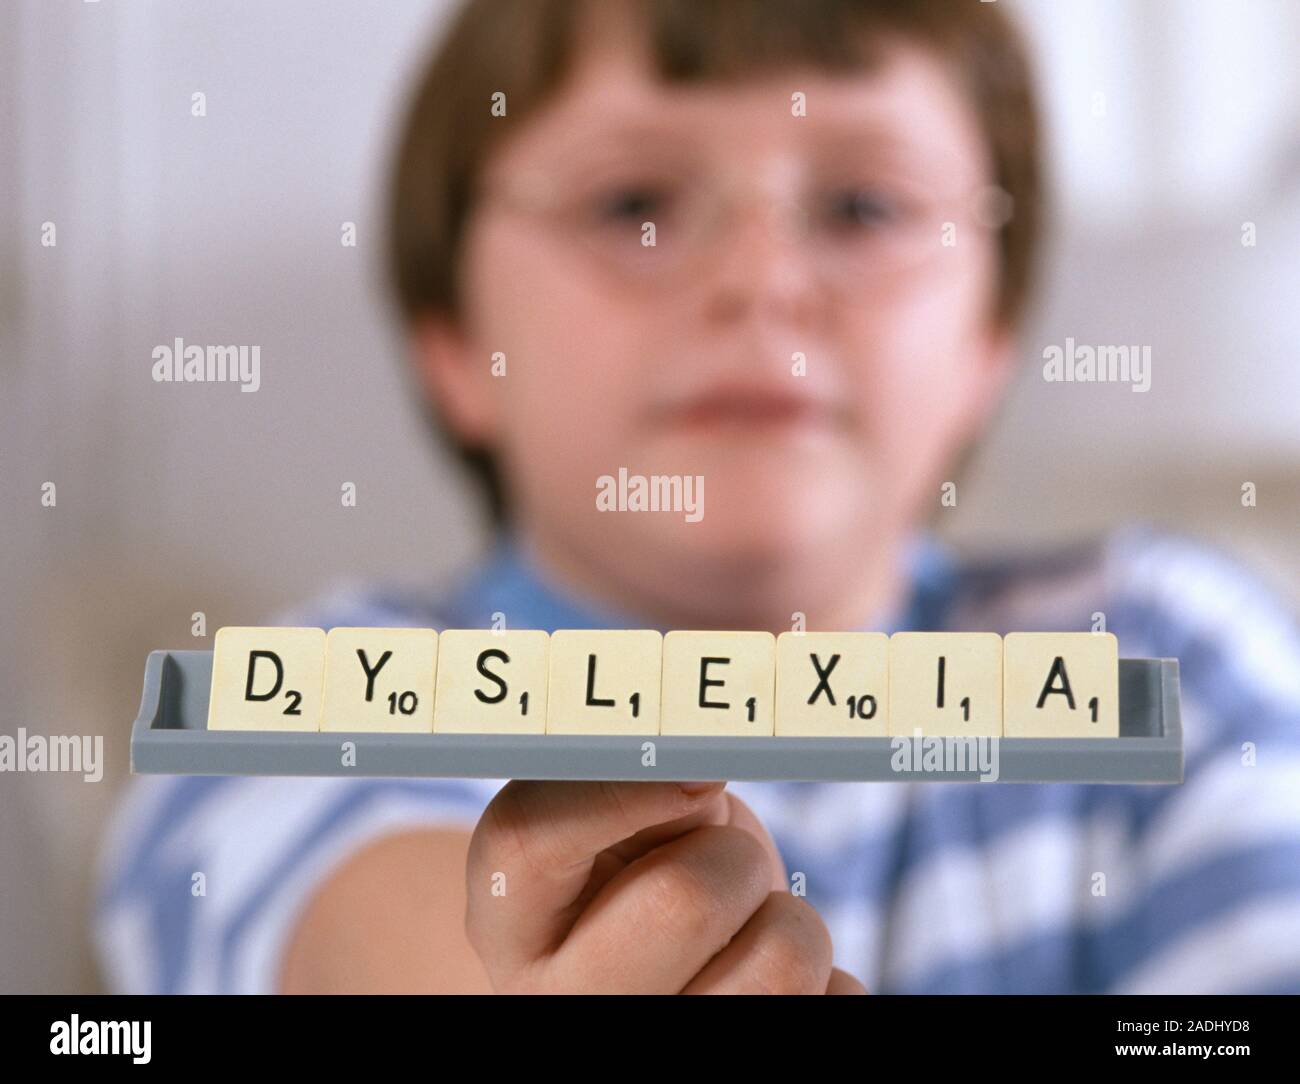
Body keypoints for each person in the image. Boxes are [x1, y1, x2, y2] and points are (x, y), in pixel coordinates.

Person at [93, 0, 1300, 994]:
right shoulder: (296, 703)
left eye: (863, 207)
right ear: (453, 339)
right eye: (633, 206)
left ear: (989, 343)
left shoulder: (1175, 653)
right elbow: (356, 931)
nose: (763, 281)